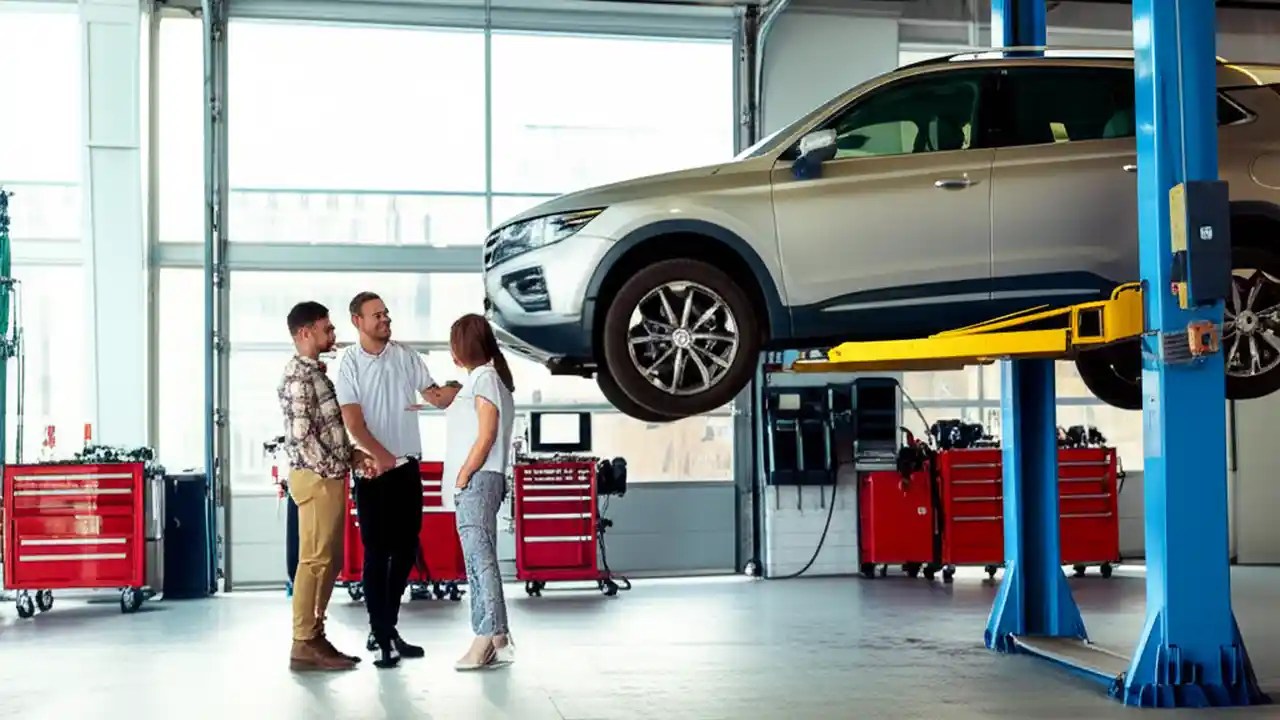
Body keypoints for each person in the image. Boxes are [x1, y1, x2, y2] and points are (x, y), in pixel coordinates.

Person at [336, 291, 460, 669]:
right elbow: (353, 422)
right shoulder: (349, 365)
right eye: (377, 315)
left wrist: (461, 385)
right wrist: (380, 455)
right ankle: (381, 632)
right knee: (377, 553)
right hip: (373, 472)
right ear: (358, 321)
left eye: (387, 313)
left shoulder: (406, 357)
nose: (385, 319)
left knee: (406, 550)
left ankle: (386, 627)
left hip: (407, 469)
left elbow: (435, 396)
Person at [277, 301, 372, 672]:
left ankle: (315, 634)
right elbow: (303, 437)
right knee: (315, 562)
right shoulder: (299, 375)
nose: (333, 335)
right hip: (317, 478)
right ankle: (304, 641)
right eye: (326, 328)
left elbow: (327, 431)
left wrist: (352, 456)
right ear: (305, 333)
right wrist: (335, 467)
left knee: (328, 561)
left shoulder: (316, 372)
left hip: (328, 474)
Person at [443, 314, 517, 671]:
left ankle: (487, 637)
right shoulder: (490, 378)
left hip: (478, 480)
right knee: (479, 559)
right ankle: (496, 638)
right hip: (486, 480)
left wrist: (463, 475)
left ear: (460, 348)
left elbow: (486, 434)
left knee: (479, 562)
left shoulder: (485, 379)